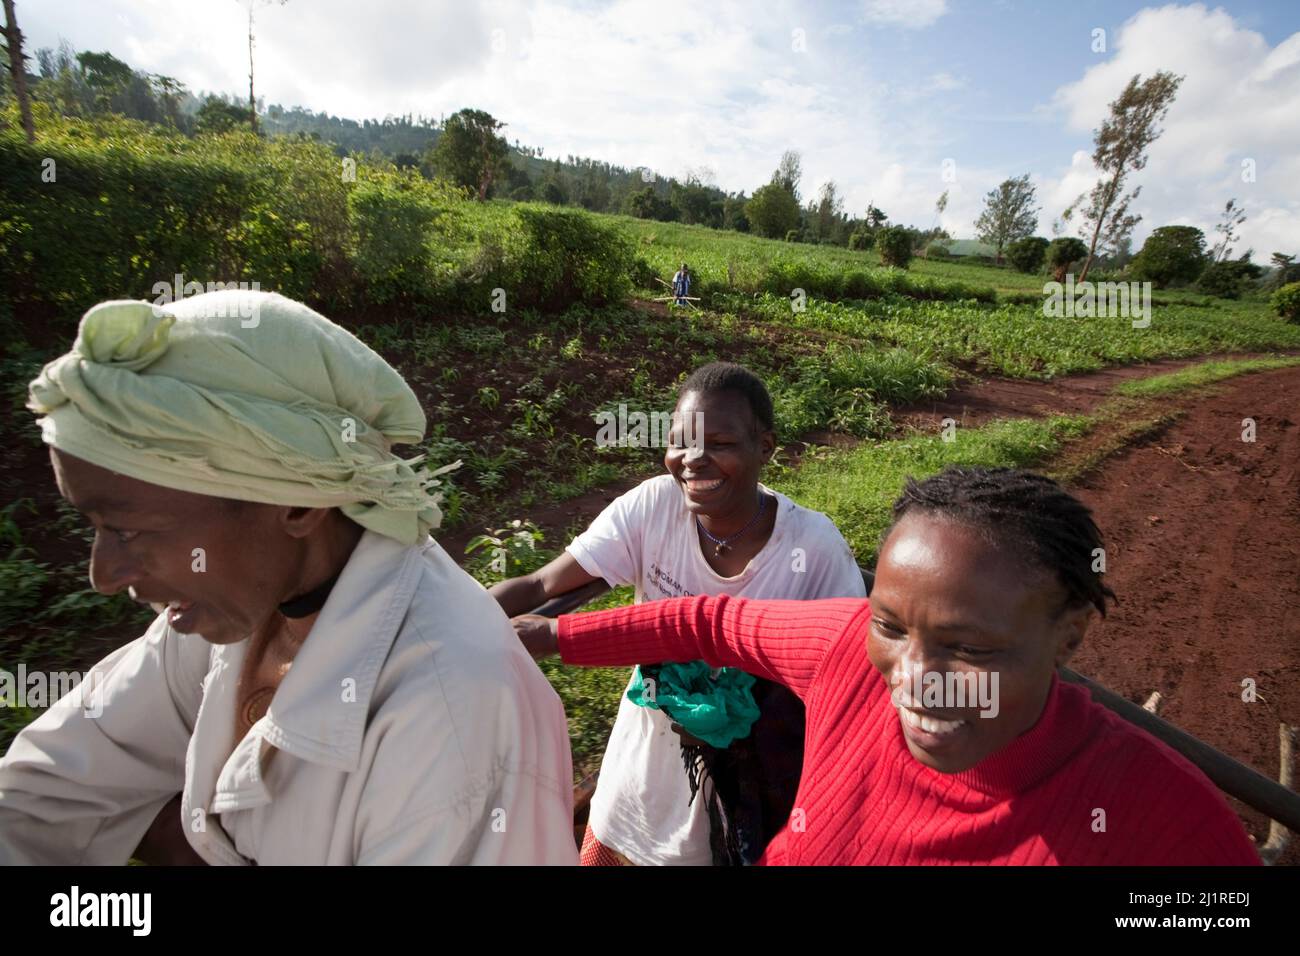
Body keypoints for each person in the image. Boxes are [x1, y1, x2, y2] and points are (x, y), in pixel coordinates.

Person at [0, 290, 577, 865]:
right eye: (95, 527)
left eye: (127, 532)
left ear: (299, 506)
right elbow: (50, 786)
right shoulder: (233, 612)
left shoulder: (453, 718)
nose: (103, 575)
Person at [514, 466, 1261, 865]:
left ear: (1068, 637)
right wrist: (546, 639)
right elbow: (703, 621)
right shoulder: (844, 648)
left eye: (970, 648)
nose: (913, 678)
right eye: (892, 626)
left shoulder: (1154, 815)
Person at [496, 362, 865, 865]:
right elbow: (542, 583)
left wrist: (747, 721)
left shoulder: (813, 548)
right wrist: (455, 614)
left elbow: (846, 681)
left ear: (766, 447)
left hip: (747, 789)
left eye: (721, 443)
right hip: (640, 775)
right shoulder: (654, 508)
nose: (694, 460)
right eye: (680, 441)